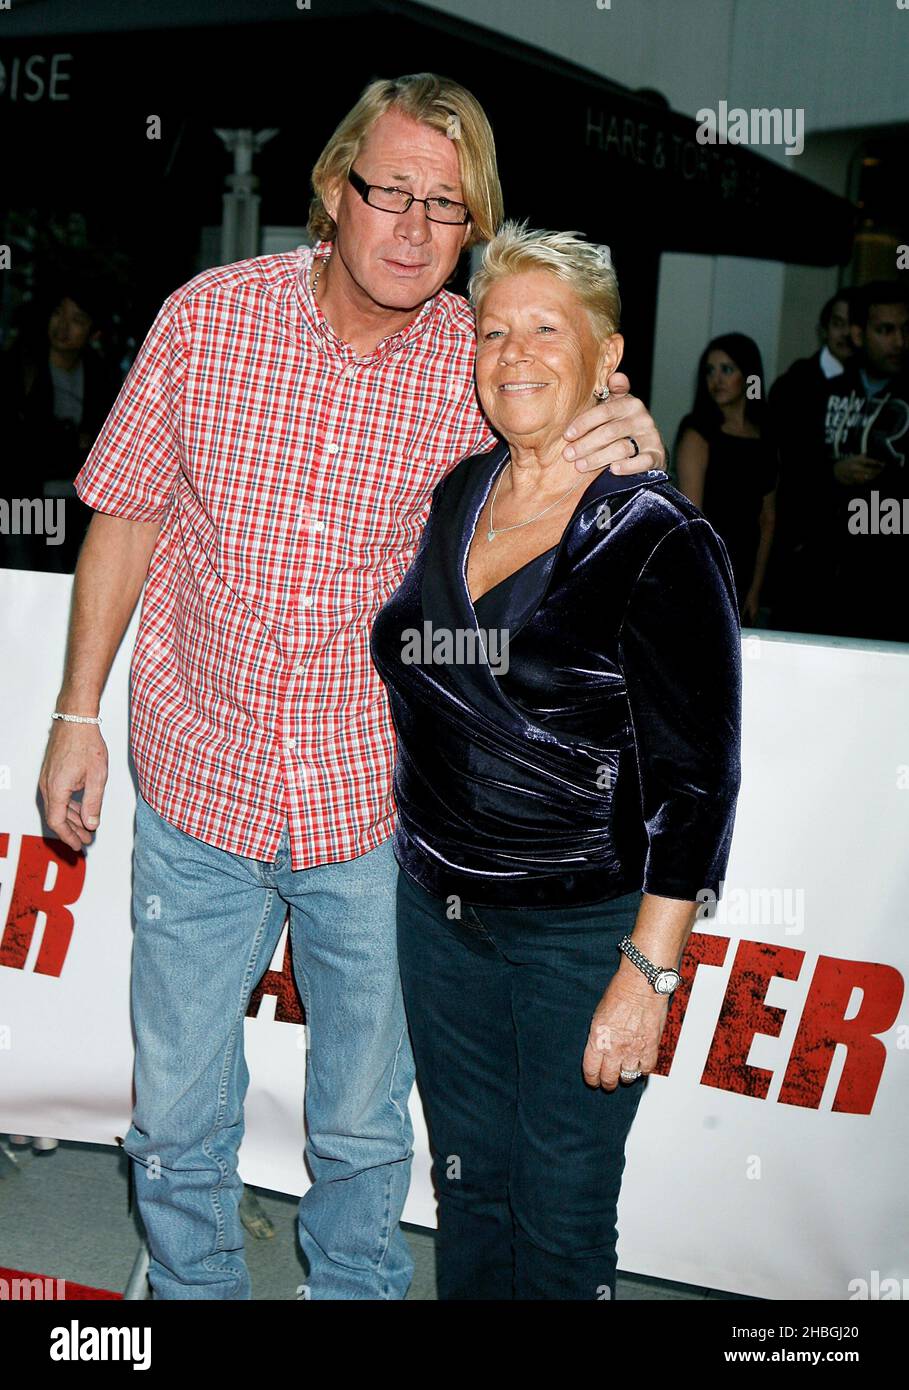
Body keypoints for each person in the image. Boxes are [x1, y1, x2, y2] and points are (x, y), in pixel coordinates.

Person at [36, 73, 665, 1301]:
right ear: (333, 193)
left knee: (368, 1134)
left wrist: (624, 435)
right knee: (173, 1119)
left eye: (448, 205)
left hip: (376, 813)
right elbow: (124, 510)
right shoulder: (209, 317)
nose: (417, 228)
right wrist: (76, 713)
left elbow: (583, 423)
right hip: (196, 786)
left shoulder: (479, 369)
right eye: (393, 193)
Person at [370, 223, 742, 1301]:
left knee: (562, 1207)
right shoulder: (458, 492)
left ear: (605, 358)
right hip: (439, 914)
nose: (514, 351)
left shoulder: (655, 530)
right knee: (468, 1187)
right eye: (493, 330)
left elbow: (698, 783)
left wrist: (649, 973)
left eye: (547, 328)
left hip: (582, 930)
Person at [1, 275, 120, 572]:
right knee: (21, 574)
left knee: (63, 581)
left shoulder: (100, 375)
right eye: (58, 314)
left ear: (93, 331)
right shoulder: (21, 366)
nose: (62, 327)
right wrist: (67, 440)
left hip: (75, 505)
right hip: (23, 499)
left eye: (76, 319)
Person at [818, 280, 909, 642]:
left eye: (905, 330)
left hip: (893, 572)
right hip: (830, 571)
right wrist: (833, 473)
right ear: (859, 334)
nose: (899, 342)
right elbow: (791, 473)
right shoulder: (825, 392)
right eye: (886, 330)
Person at [766, 292, 855, 631]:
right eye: (838, 324)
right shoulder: (796, 384)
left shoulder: (870, 385)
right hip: (802, 540)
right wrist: (830, 472)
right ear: (823, 330)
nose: (846, 333)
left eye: (853, 325)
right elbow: (781, 461)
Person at [675, 333, 778, 623]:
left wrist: (756, 589)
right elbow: (693, 520)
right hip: (706, 566)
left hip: (747, 566)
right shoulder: (698, 430)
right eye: (710, 370)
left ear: (749, 376)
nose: (716, 379)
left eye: (727, 369)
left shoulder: (766, 434)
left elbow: (768, 518)